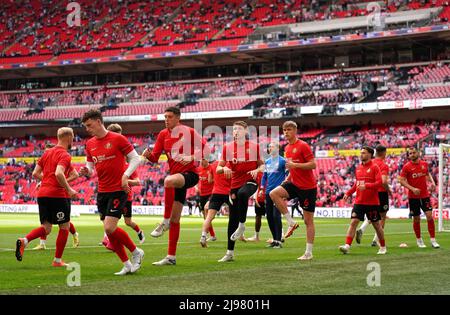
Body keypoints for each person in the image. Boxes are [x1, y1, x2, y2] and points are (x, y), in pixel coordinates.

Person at [79, 109, 144, 275]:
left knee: (109, 228)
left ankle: (136, 252)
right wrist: (86, 171)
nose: (87, 129)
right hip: (102, 191)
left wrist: (125, 175)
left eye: (89, 125)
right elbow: (90, 168)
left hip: (118, 189)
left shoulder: (118, 139)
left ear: (99, 122)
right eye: (85, 126)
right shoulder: (90, 144)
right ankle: (127, 264)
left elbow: (136, 158)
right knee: (110, 232)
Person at [142, 106, 209, 265]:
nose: (166, 119)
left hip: (190, 175)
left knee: (167, 181)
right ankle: (171, 257)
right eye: (165, 116)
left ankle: (164, 222)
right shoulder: (162, 135)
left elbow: (206, 148)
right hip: (177, 179)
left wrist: (192, 156)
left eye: (169, 117)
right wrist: (147, 155)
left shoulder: (189, 132)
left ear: (178, 118)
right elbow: (155, 158)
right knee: (176, 220)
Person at [16, 127, 78, 267]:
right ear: (68, 138)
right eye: (73, 137)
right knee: (64, 226)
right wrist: (68, 189)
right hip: (57, 195)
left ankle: (24, 241)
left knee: (47, 227)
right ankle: (57, 261)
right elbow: (58, 173)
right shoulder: (65, 155)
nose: (73, 140)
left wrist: (47, 181)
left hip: (43, 194)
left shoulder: (47, 153)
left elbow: (35, 173)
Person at [216, 121, 264, 262]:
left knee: (243, 193)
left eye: (239, 128)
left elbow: (263, 166)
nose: (236, 131)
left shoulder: (254, 147)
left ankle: (242, 226)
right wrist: (224, 168)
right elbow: (219, 168)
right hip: (234, 186)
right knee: (232, 220)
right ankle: (229, 253)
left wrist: (257, 170)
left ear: (246, 131)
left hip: (251, 181)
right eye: (234, 129)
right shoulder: (227, 148)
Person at [269, 121, 317, 260]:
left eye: (289, 129)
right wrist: (288, 178)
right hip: (294, 184)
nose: (286, 132)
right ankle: (290, 222)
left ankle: (308, 252)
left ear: (295, 131)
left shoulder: (303, 145)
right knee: (274, 193)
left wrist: (295, 165)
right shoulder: (287, 148)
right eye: (284, 130)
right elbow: (292, 167)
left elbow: (313, 165)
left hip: (308, 188)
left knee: (308, 221)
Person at [339, 146, 387, 255]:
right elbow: (357, 184)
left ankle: (383, 247)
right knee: (354, 222)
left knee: (377, 225)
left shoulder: (375, 167)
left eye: (364, 153)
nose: (361, 155)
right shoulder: (358, 168)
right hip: (359, 201)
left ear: (370, 154)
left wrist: (367, 186)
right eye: (361, 153)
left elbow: (379, 183)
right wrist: (348, 193)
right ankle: (347, 246)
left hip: (372, 203)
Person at [33, 143, 80, 250]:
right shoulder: (48, 161)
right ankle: (42, 243)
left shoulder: (63, 160)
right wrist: (46, 182)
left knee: (63, 221)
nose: (47, 153)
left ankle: (75, 234)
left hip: (63, 193)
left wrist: (62, 182)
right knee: (47, 220)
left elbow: (75, 175)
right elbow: (41, 175)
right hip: (52, 192)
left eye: (48, 151)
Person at [104, 123, 145, 244]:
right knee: (108, 220)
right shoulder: (110, 162)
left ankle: (139, 231)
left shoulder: (129, 165)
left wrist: (125, 181)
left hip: (126, 196)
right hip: (111, 193)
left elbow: (138, 182)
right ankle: (109, 241)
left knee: (128, 222)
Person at [398, 147, 440, 248]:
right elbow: (401, 181)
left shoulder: (424, 164)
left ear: (418, 153)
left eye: (413, 153)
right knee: (416, 219)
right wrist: (412, 189)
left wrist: (433, 182)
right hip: (413, 197)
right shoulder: (406, 167)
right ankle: (419, 240)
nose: (412, 154)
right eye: (410, 153)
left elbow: (427, 174)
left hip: (425, 195)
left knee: (429, 216)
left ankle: (433, 240)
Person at [356, 145, 391, 246]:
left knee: (372, 215)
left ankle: (362, 228)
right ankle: (376, 240)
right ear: (384, 153)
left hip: (368, 192)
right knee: (382, 217)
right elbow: (383, 181)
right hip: (380, 192)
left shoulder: (371, 162)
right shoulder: (383, 165)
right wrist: (388, 190)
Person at [253, 142, 286, 248]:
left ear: (277, 148)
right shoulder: (267, 162)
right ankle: (275, 240)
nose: (270, 148)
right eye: (269, 147)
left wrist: (285, 188)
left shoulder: (282, 161)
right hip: (268, 192)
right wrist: (262, 188)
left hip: (278, 193)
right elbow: (264, 177)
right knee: (269, 216)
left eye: (272, 146)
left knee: (276, 216)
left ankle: (279, 241)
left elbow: (288, 174)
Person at [200, 160, 232, 247]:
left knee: (209, 217)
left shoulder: (213, 165)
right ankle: (238, 235)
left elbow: (210, 180)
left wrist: (218, 180)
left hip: (216, 192)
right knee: (234, 217)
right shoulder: (231, 163)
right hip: (228, 192)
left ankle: (203, 236)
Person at [197, 158, 216, 240]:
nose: (201, 161)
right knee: (205, 216)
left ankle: (209, 235)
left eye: (203, 159)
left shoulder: (212, 168)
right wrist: (196, 187)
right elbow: (198, 179)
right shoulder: (199, 169)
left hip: (211, 193)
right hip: (202, 194)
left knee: (207, 211)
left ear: (207, 160)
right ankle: (212, 235)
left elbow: (217, 178)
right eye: (200, 160)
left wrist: (211, 179)